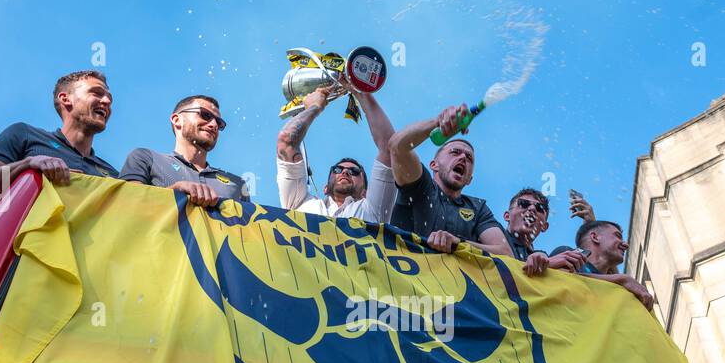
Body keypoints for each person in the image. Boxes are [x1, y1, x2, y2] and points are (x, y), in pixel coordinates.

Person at [0, 69, 118, 245]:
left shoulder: (112, 175)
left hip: (71, 262)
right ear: (66, 99)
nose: (106, 101)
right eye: (96, 93)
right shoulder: (25, 135)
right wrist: (28, 165)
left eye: (109, 99)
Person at [388, 104, 512, 256]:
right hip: (403, 274)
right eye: (455, 152)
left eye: (469, 158)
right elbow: (396, 147)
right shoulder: (421, 185)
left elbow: (505, 254)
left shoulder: (478, 208)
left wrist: (458, 243)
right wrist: (437, 123)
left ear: (469, 180)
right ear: (434, 165)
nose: (462, 158)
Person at [275, 83, 398, 221]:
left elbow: (390, 148)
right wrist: (315, 107)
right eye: (337, 169)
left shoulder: (372, 210)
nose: (344, 172)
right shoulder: (299, 203)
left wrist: (361, 93)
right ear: (325, 188)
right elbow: (286, 141)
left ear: (365, 193)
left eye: (354, 171)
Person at [119, 95, 247, 207]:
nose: (214, 125)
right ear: (177, 120)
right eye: (205, 115)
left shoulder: (238, 183)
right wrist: (174, 192)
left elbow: (249, 230)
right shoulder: (145, 158)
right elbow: (126, 206)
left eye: (219, 123)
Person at [568, 219, 655, 311]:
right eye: (618, 236)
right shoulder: (566, 254)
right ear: (595, 237)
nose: (626, 245)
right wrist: (622, 279)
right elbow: (564, 276)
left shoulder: (618, 286)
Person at [501, 187, 587, 277]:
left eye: (539, 208)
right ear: (507, 216)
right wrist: (549, 263)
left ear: (544, 226)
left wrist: (590, 224)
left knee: (564, 252)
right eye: (524, 203)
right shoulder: (490, 236)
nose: (532, 208)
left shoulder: (540, 256)